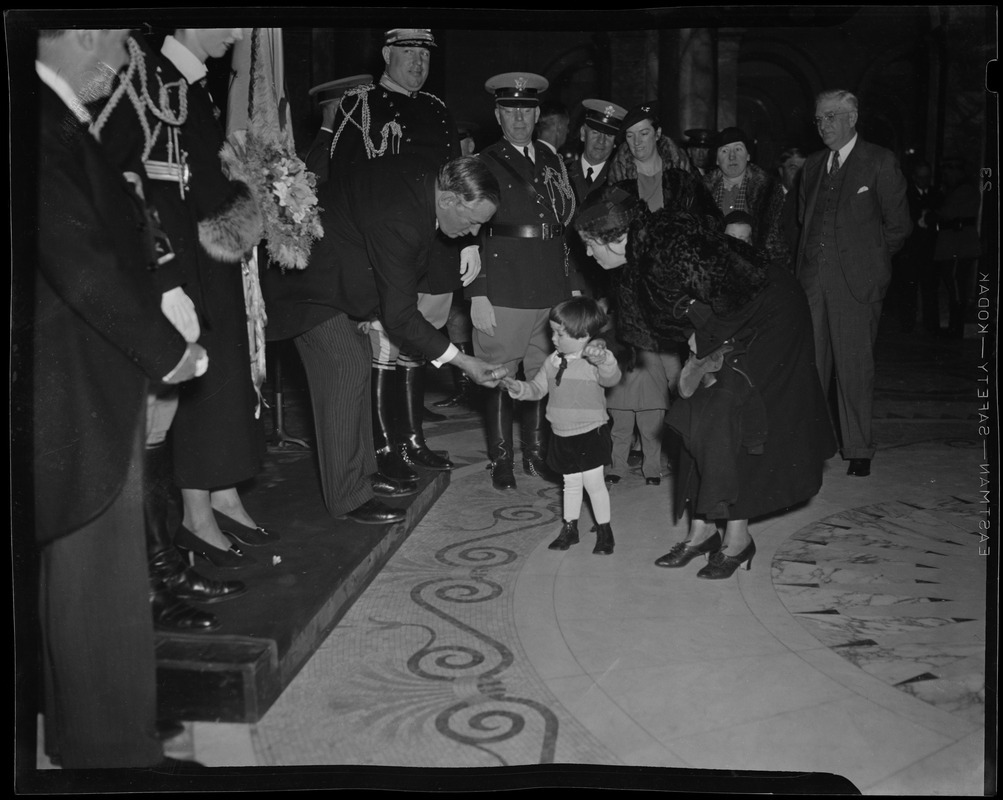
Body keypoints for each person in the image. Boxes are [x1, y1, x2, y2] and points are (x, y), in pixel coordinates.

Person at [33, 27, 208, 769]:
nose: (117, 56)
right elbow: (83, 263)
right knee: (97, 570)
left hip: (78, 372)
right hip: (77, 379)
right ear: (74, 36)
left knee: (78, 570)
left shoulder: (53, 115)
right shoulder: (41, 121)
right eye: (106, 36)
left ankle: (86, 728)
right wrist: (170, 352)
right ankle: (115, 758)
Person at [574, 187, 836, 579]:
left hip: (771, 318)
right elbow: (637, 325)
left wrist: (709, 349)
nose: (589, 254)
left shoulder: (669, 244)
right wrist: (601, 347)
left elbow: (740, 291)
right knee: (693, 414)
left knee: (731, 414)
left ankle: (737, 538)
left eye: (591, 245)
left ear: (616, 237)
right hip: (729, 322)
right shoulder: (636, 256)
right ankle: (701, 532)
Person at [94, 29, 250, 629]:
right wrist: (165, 277)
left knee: (160, 425)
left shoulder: (181, 88)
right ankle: (153, 577)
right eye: (226, 18)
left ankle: (165, 567)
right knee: (147, 424)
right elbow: (130, 183)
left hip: (175, 261)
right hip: (151, 268)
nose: (237, 33)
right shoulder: (136, 77)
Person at [261, 155, 507, 523]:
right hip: (307, 288)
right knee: (344, 367)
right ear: (449, 200)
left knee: (357, 365)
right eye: (473, 222)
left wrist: (369, 309)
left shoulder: (424, 186)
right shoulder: (401, 215)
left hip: (340, 280)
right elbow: (401, 315)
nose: (473, 234)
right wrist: (465, 362)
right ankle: (347, 497)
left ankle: (361, 473)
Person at [120, 28, 271, 571]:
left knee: (224, 380)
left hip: (211, 252)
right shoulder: (155, 75)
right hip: (184, 256)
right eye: (223, 17)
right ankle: (195, 513)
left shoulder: (193, 82)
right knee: (201, 388)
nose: (235, 31)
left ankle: (223, 494)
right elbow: (153, 182)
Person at [305, 28, 476, 489]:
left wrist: (468, 243)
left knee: (420, 339)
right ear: (386, 55)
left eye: (423, 55)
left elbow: (457, 186)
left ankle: (412, 438)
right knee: (385, 339)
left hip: (435, 242)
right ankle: (384, 446)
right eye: (407, 53)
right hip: (382, 244)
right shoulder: (359, 104)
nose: (418, 63)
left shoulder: (438, 110)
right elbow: (344, 181)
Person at [471, 71, 578, 491]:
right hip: (505, 285)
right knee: (499, 374)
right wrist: (477, 292)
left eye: (527, 110)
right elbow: (473, 232)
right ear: (498, 116)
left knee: (543, 375)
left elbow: (561, 229)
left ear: (538, 115)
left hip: (549, 284)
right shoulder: (483, 162)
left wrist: (569, 286)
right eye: (511, 110)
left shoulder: (553, 162)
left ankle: (535, 454)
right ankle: (502, 460)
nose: (519, 118)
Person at [796, 89, 911, 478]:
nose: (823, 125)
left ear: (852, 117)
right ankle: (811, 445)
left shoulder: (879, 161)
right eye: (819, 119)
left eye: (830, 117)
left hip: (856, 285)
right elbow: (804, 223)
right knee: (811, 368)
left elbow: (898, 227)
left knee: (855, 368)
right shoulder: (811, 166)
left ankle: (858, 447)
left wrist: (871, 264)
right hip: (813, 281)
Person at [501, 298, 622, 554]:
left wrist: (604, 359)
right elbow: (538, 388)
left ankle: (604, 531)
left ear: (584, 335)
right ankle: (570, 529)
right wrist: (520, 388)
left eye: (560, 333)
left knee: (594, 484)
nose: (553, 338)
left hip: (590, 432)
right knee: (570, 483)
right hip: (560, 432)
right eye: (552, 331)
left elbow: (612, 377)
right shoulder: (553, 360)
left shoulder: (594, 361)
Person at [704, 126, 790, 265]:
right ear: (716, 160)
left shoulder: (769, 193)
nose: (732, 156)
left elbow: (777, 246)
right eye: (725, 151)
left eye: (738, 149)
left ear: (748, 155)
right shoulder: (702, 193)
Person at [567, 98, 626, 298]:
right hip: (564, 281)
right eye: (595, 133)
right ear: (583, 133)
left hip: (605, 287)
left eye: (609, 136)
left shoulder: (621, 180)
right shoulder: (559, 173)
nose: (601, 142)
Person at [926, 156, 982, 338]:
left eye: (948, 172)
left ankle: (956, 328)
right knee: (954, 285)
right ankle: (954, 327)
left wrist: (931, 215)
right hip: (955, 245)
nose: (946, 176)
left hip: (958, 246)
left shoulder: (963, 190)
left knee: (956, 286)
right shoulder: (960, 189)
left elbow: (947, 213)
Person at [777, 145, 807, 258]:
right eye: (793, 168)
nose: (800, 173)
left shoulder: (811, 199)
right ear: (781, 171)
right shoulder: (768, 199)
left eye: (804, 169)